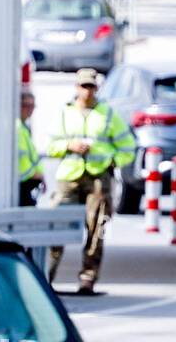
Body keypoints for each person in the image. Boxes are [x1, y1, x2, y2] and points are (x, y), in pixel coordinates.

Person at [46, 68, 136, 295]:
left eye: (91, 87)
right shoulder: (64, 114)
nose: (87, 91)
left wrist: (112, 162)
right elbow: (50, 147)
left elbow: (127, 148)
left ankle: (88, 277)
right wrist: (69, 146)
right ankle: (47, 276)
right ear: (76, 88)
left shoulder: (107, 114)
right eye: (83, 86)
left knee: (96, 230)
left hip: (98, 177)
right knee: (58, 227)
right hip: (70, 176)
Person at [17, 90, 43, 207]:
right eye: (26, 105)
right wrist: (34, 174)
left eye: (32, 106)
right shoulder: (17, 127)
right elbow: (20, 158)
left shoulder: (24, 127)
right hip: (23, 183)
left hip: (30, 183)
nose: (30, 109)